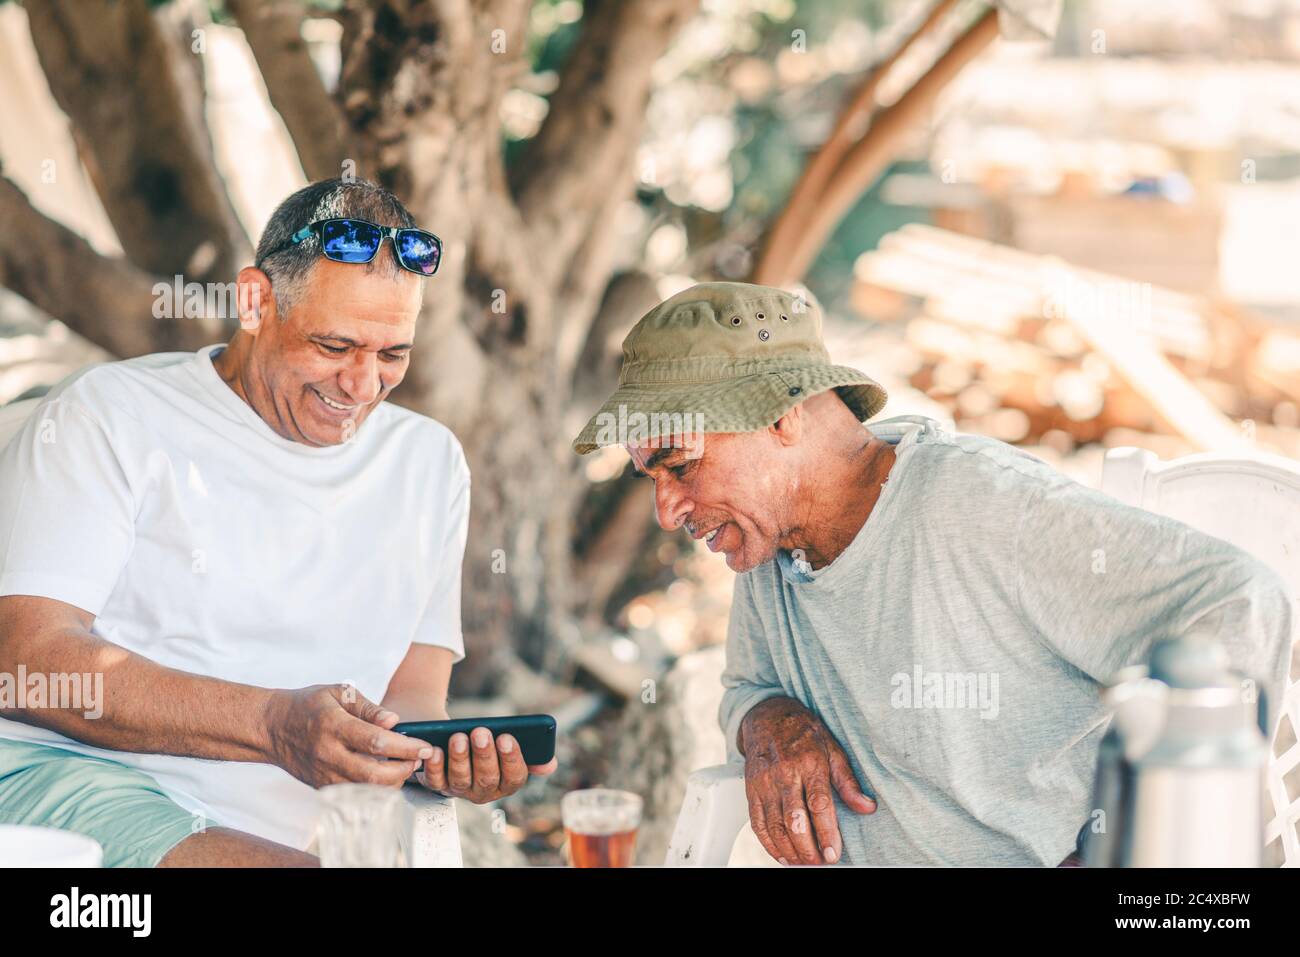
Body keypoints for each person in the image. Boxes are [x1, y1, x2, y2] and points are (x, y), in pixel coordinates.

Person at [572, 280, 1293, 866]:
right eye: (650, 476)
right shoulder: (767, 546)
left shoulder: (978, 506)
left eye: (680, 463)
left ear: (782, 415)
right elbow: (745, 687)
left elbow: (1241, 605)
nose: (667, 509)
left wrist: (1121, 848)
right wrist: (770, 721)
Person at [0, 178, 554, 867]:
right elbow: (24, 658)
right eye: (334, 345)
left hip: (294, 835)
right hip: (77, 786)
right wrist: (270, 724)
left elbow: (412, 700)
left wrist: (442, 758)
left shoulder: (429, 462)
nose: (361, 386)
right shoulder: (110, 414)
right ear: (256, 300)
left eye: (392, 355)